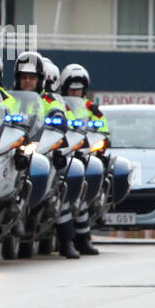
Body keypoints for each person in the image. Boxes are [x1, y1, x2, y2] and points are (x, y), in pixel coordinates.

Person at [58, 63, 104, 256]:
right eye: (72, 89)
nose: (75, 93)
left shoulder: (91, 109)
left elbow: (102, 127)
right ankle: (68, 241)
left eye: (79, 89)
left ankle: (84, 239)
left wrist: (103, 137)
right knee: (65, 195)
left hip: (84, 152)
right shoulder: (61, 106)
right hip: (65, 152)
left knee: (83, 196)